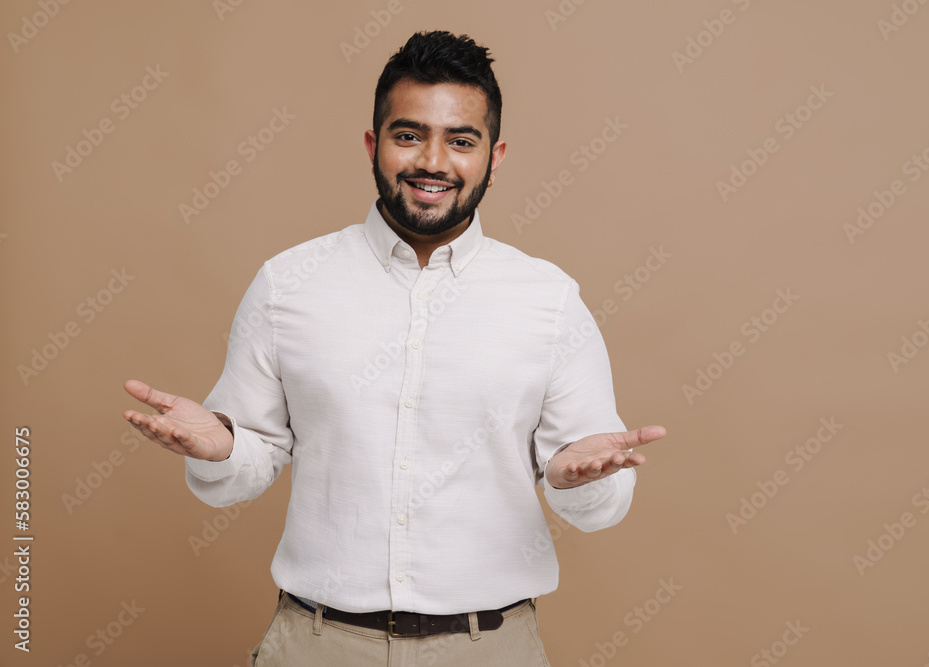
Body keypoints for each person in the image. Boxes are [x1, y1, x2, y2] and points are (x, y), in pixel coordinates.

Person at [122, 30, 665, 666]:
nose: (433, 161)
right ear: (373, 145)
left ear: (496, 156)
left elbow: (596, 502)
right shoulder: (288, 284)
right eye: (409, 135)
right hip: (317, 646)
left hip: (489, 651)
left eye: (461, 140)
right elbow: (243, 468)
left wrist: (579, 482)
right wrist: (222, 450)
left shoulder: (548, 301)